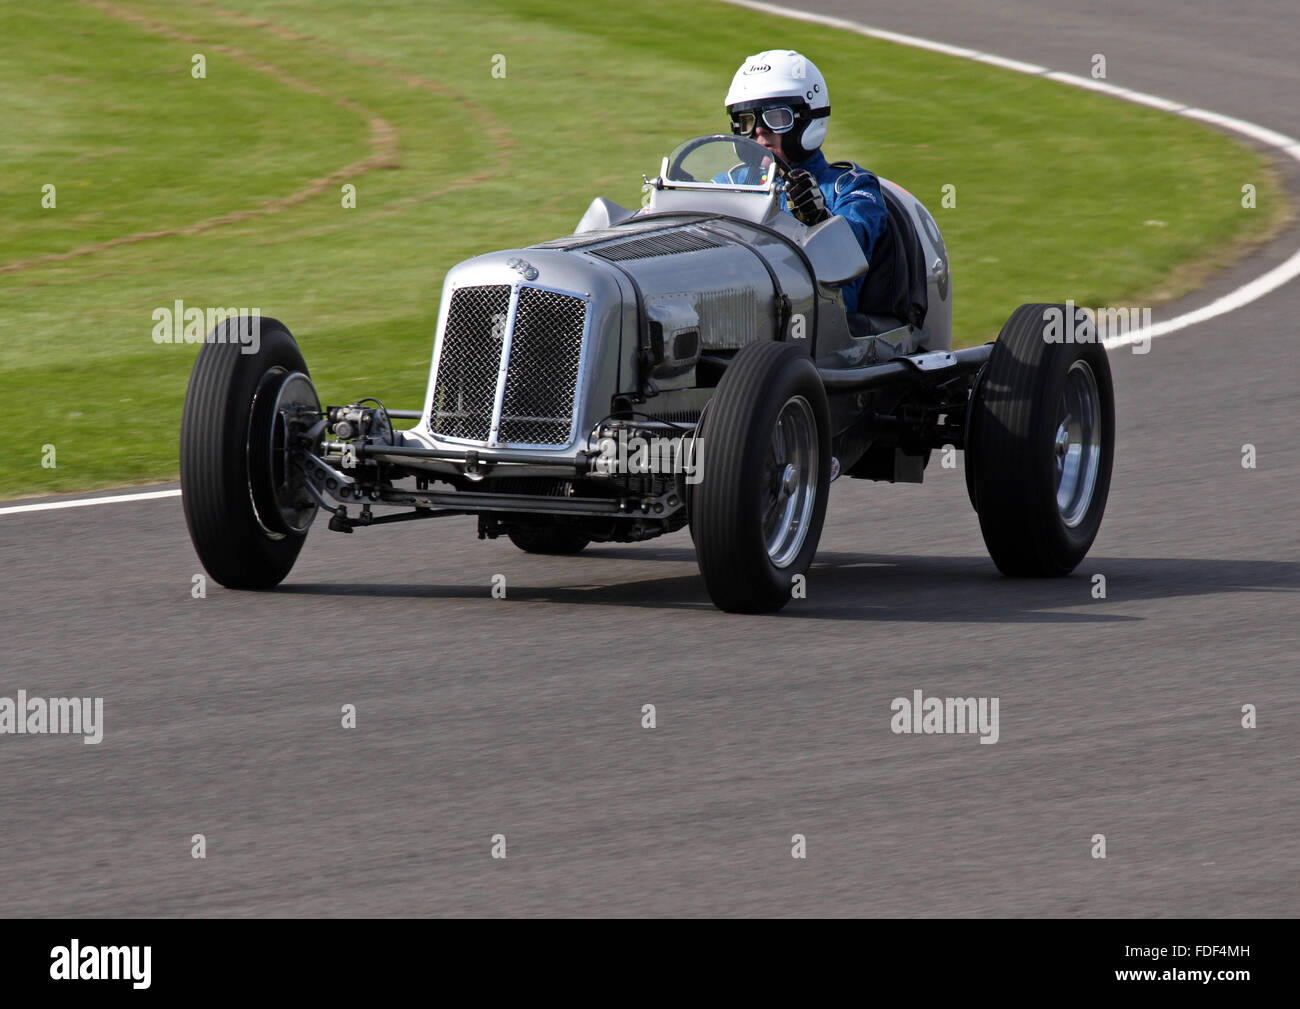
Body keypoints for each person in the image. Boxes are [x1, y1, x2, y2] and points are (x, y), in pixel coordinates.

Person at [724, 49, 889, 315]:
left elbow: (854, 247)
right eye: (747, 120)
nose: (758, 130)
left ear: (809, 119)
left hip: (819, 329)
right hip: (735, 313)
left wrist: (820, 220)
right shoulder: (728, 183)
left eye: (775, 117)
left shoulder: (850, 186)